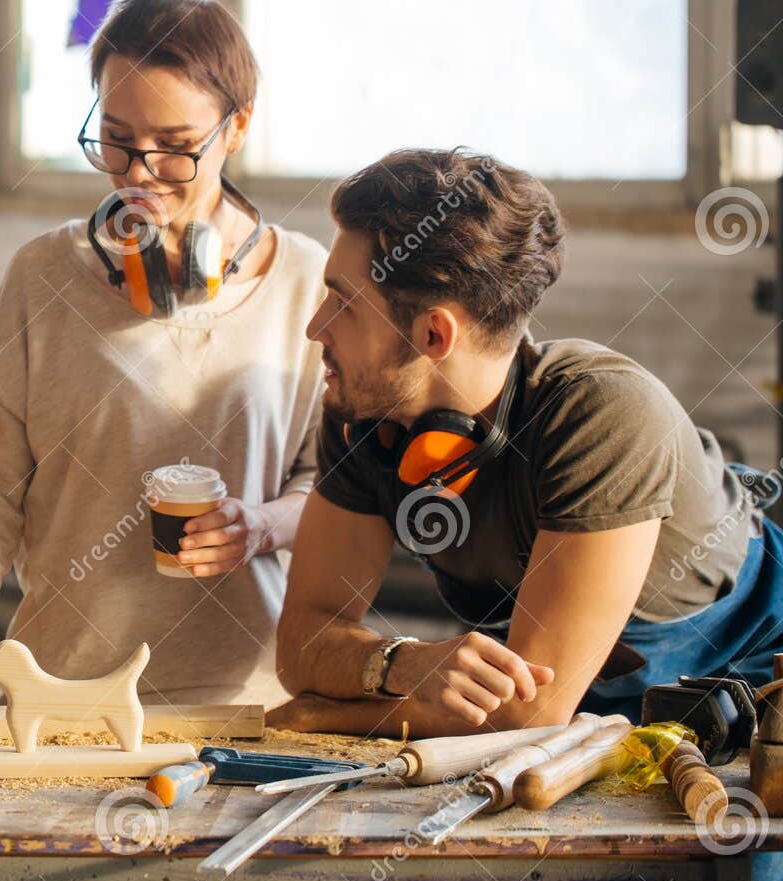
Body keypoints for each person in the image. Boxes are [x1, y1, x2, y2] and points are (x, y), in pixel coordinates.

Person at [0, 0, 328, 706]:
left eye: (176, 148)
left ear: (238, 127)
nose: (138, 174)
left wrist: (259, 527)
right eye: (117, 139)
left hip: (248, 702)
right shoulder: (42, 274)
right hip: (63, 691)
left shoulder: (307, 280)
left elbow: (331, 484)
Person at [274, 147, 783, 734]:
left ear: (434, 334)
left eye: (343, 304)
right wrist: (399, 662)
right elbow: (300, 647)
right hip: (589, 706)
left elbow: (526, 712)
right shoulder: (364, 408)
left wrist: (324, 715)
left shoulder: (602, 413)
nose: (315, 327)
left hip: (752, 666)